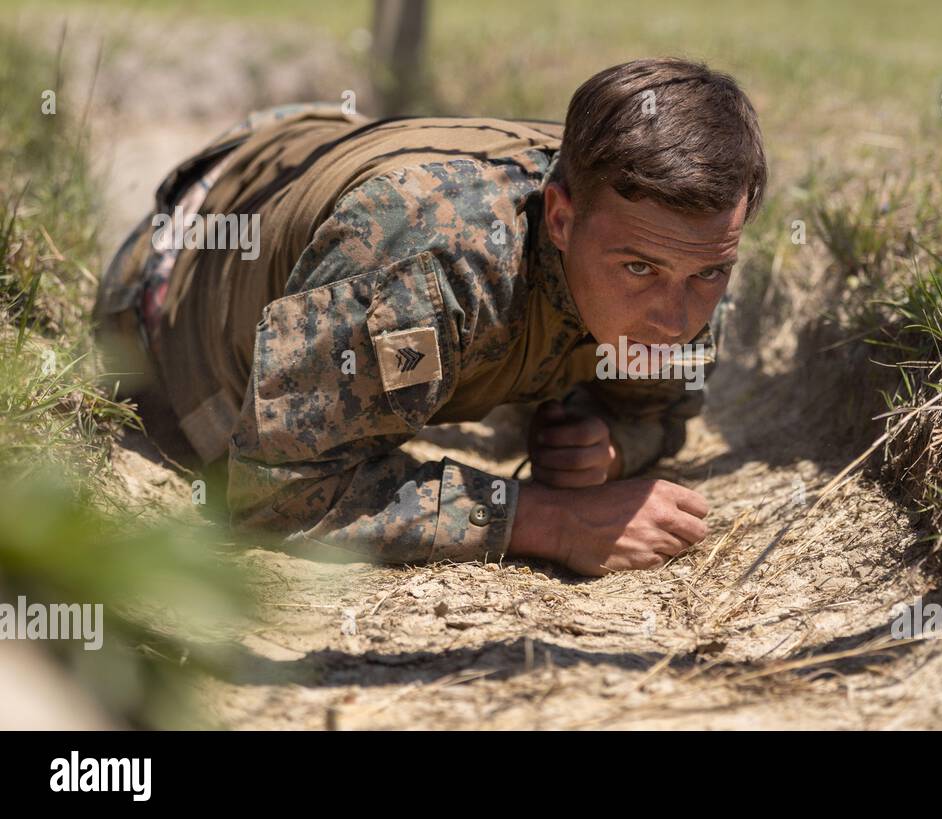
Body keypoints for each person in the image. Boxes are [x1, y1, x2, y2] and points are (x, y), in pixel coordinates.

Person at [93, 57, 767, 576]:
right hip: (181, 260)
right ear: (561, 218)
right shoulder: (428, 265)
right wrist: (547, 519)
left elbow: (658, 412)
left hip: (339, 151)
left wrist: (611, 445)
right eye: (639, 269)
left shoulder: (682, 244)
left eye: (711, 273)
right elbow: (277, 492)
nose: (676, 315)